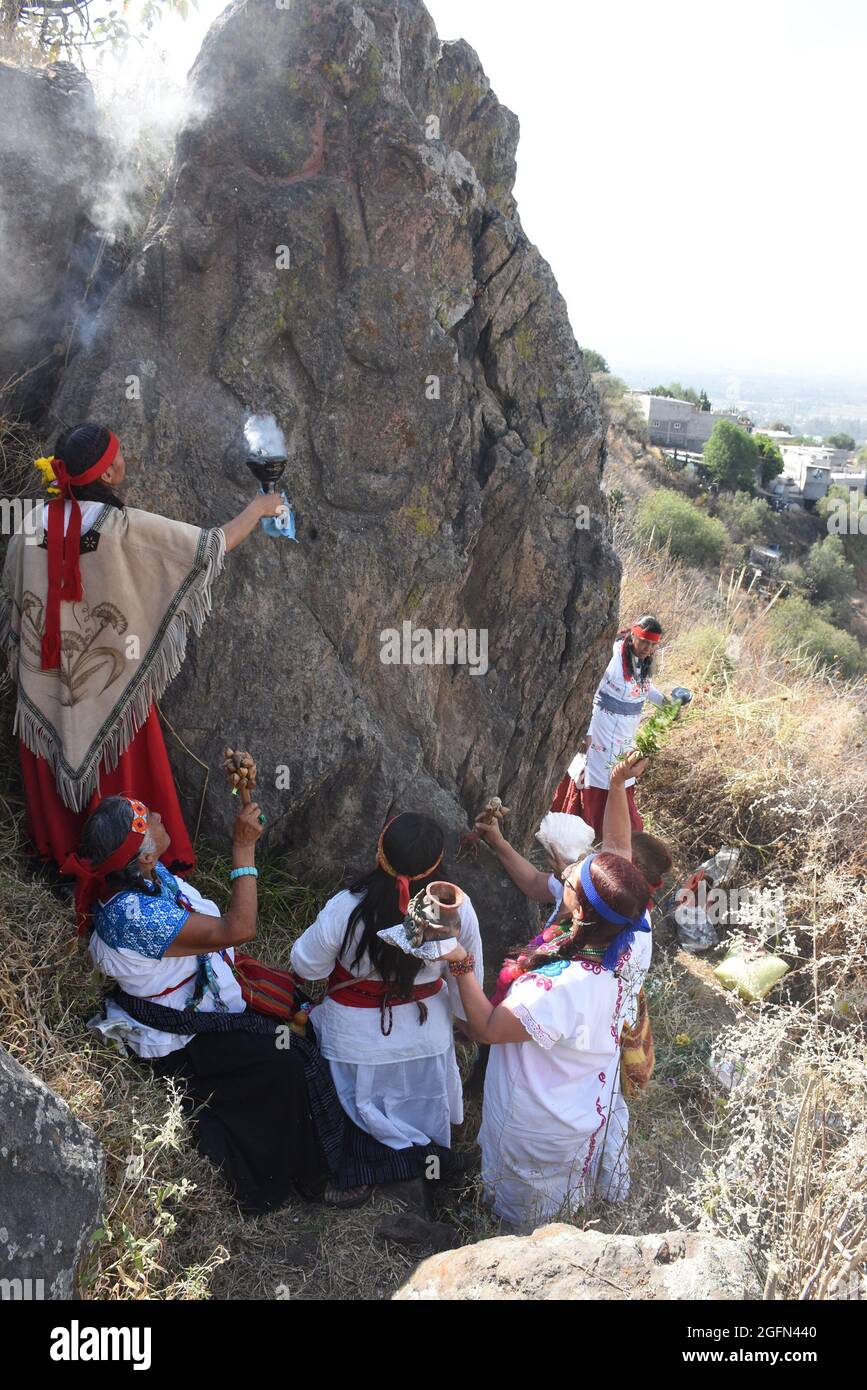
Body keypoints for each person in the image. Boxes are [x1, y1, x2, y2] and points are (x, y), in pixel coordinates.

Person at [0, 421, 287, 873]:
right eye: (118, 454)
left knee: (58, 764)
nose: (123, 459)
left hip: (46, 694)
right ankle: (131, 864)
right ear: (109, 474)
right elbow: (209, 547)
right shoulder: (123, 529)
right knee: (120, 772)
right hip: (110, 695)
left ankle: (59, 856)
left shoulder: (27, 530)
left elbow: (15, 620)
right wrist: (260, 506)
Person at [67, 791, 344, 1215]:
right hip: (183, 1040)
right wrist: (244, 847)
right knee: (285, 1062)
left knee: (298, 1018)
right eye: (147, 818)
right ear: (140, 857)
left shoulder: (145, 874)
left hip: (203, 1007)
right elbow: (239, 927)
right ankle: (301, 1176)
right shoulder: (133, 918)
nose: (158, 813)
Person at [444, 801, 651, 1230]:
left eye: (572, 877)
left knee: (522, 1211)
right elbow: (616, 856)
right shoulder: (626, 936)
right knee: (553, 1204)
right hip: (575, 1108)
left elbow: (485, 1028)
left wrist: (459, 957)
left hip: (537, 1123)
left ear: (578, 912)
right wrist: (616, 785)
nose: (566, 873)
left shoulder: (558, 990)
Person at [290, 812, 484, 1208]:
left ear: (379, 848)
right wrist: (462, 1026)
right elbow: (467, 988)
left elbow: (306, 966)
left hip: (352, 1045)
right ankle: (422, 1154)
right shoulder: (455, 909)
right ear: (439, 861)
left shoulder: (346, 907)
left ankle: (369, 1157)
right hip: (427, 1043)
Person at [551, 614, 675, 838]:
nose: (648, 648)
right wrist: (585, 731)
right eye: (644, 642)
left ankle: (612, 828)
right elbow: (590, 690)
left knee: (621, 773)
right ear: (633, 637)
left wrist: (669, 706)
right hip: (601, 727)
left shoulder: (644, 662)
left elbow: (646, 690)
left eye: (652, 645)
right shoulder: (613, 657)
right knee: (596, 772)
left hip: (626, 731)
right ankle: (584, 824)